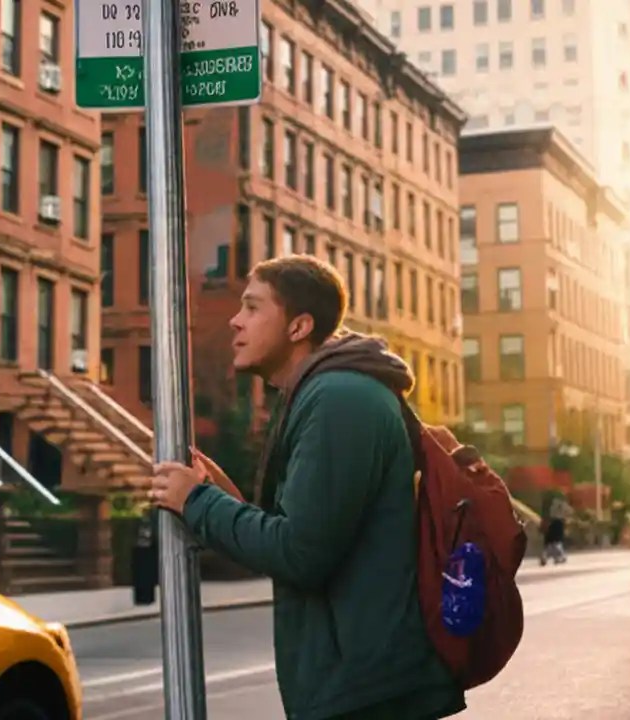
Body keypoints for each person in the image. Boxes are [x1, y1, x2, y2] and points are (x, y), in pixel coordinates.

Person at [149, 256, 464, 720]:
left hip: (366, 691)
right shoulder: (324, 393)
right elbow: (305, 532)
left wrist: (196, 501)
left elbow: (300, 553)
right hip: (358, 685)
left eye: (253, 307)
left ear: (298, 327)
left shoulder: (340, 400)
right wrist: (220, 497)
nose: (236, 320)